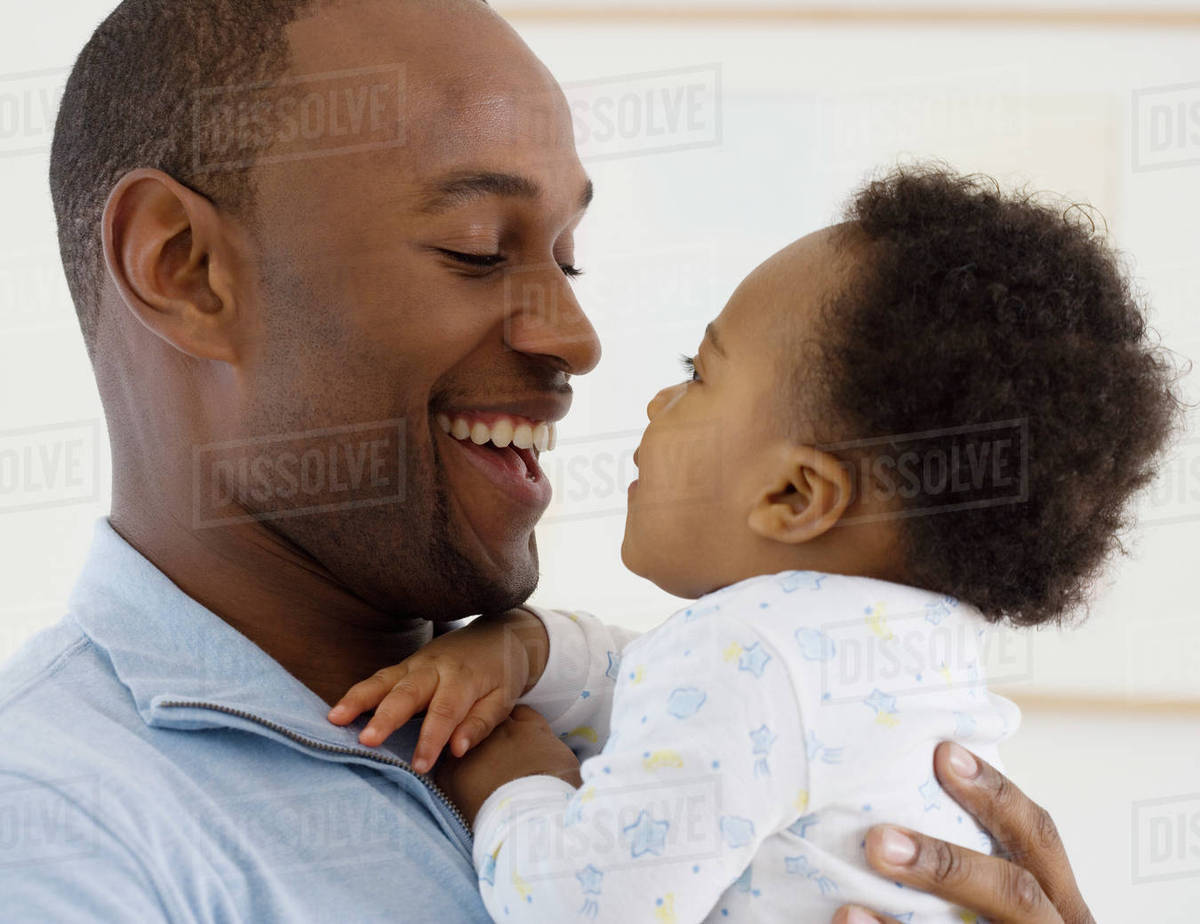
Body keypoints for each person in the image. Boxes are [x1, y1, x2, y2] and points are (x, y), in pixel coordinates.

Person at [0, 0, 1095, 919]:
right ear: (186, 268)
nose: (576, 338)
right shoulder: (55, 828)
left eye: (569, 256)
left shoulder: (640, 715)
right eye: (478, 252)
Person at [330, 168, 1178, 921]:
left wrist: (514, 782)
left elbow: (577, 907)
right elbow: (663, 690)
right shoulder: (910, 655)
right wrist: (532, 651)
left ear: (796, 494)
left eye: (698, 372)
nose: (661, 401)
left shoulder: (748, 652)